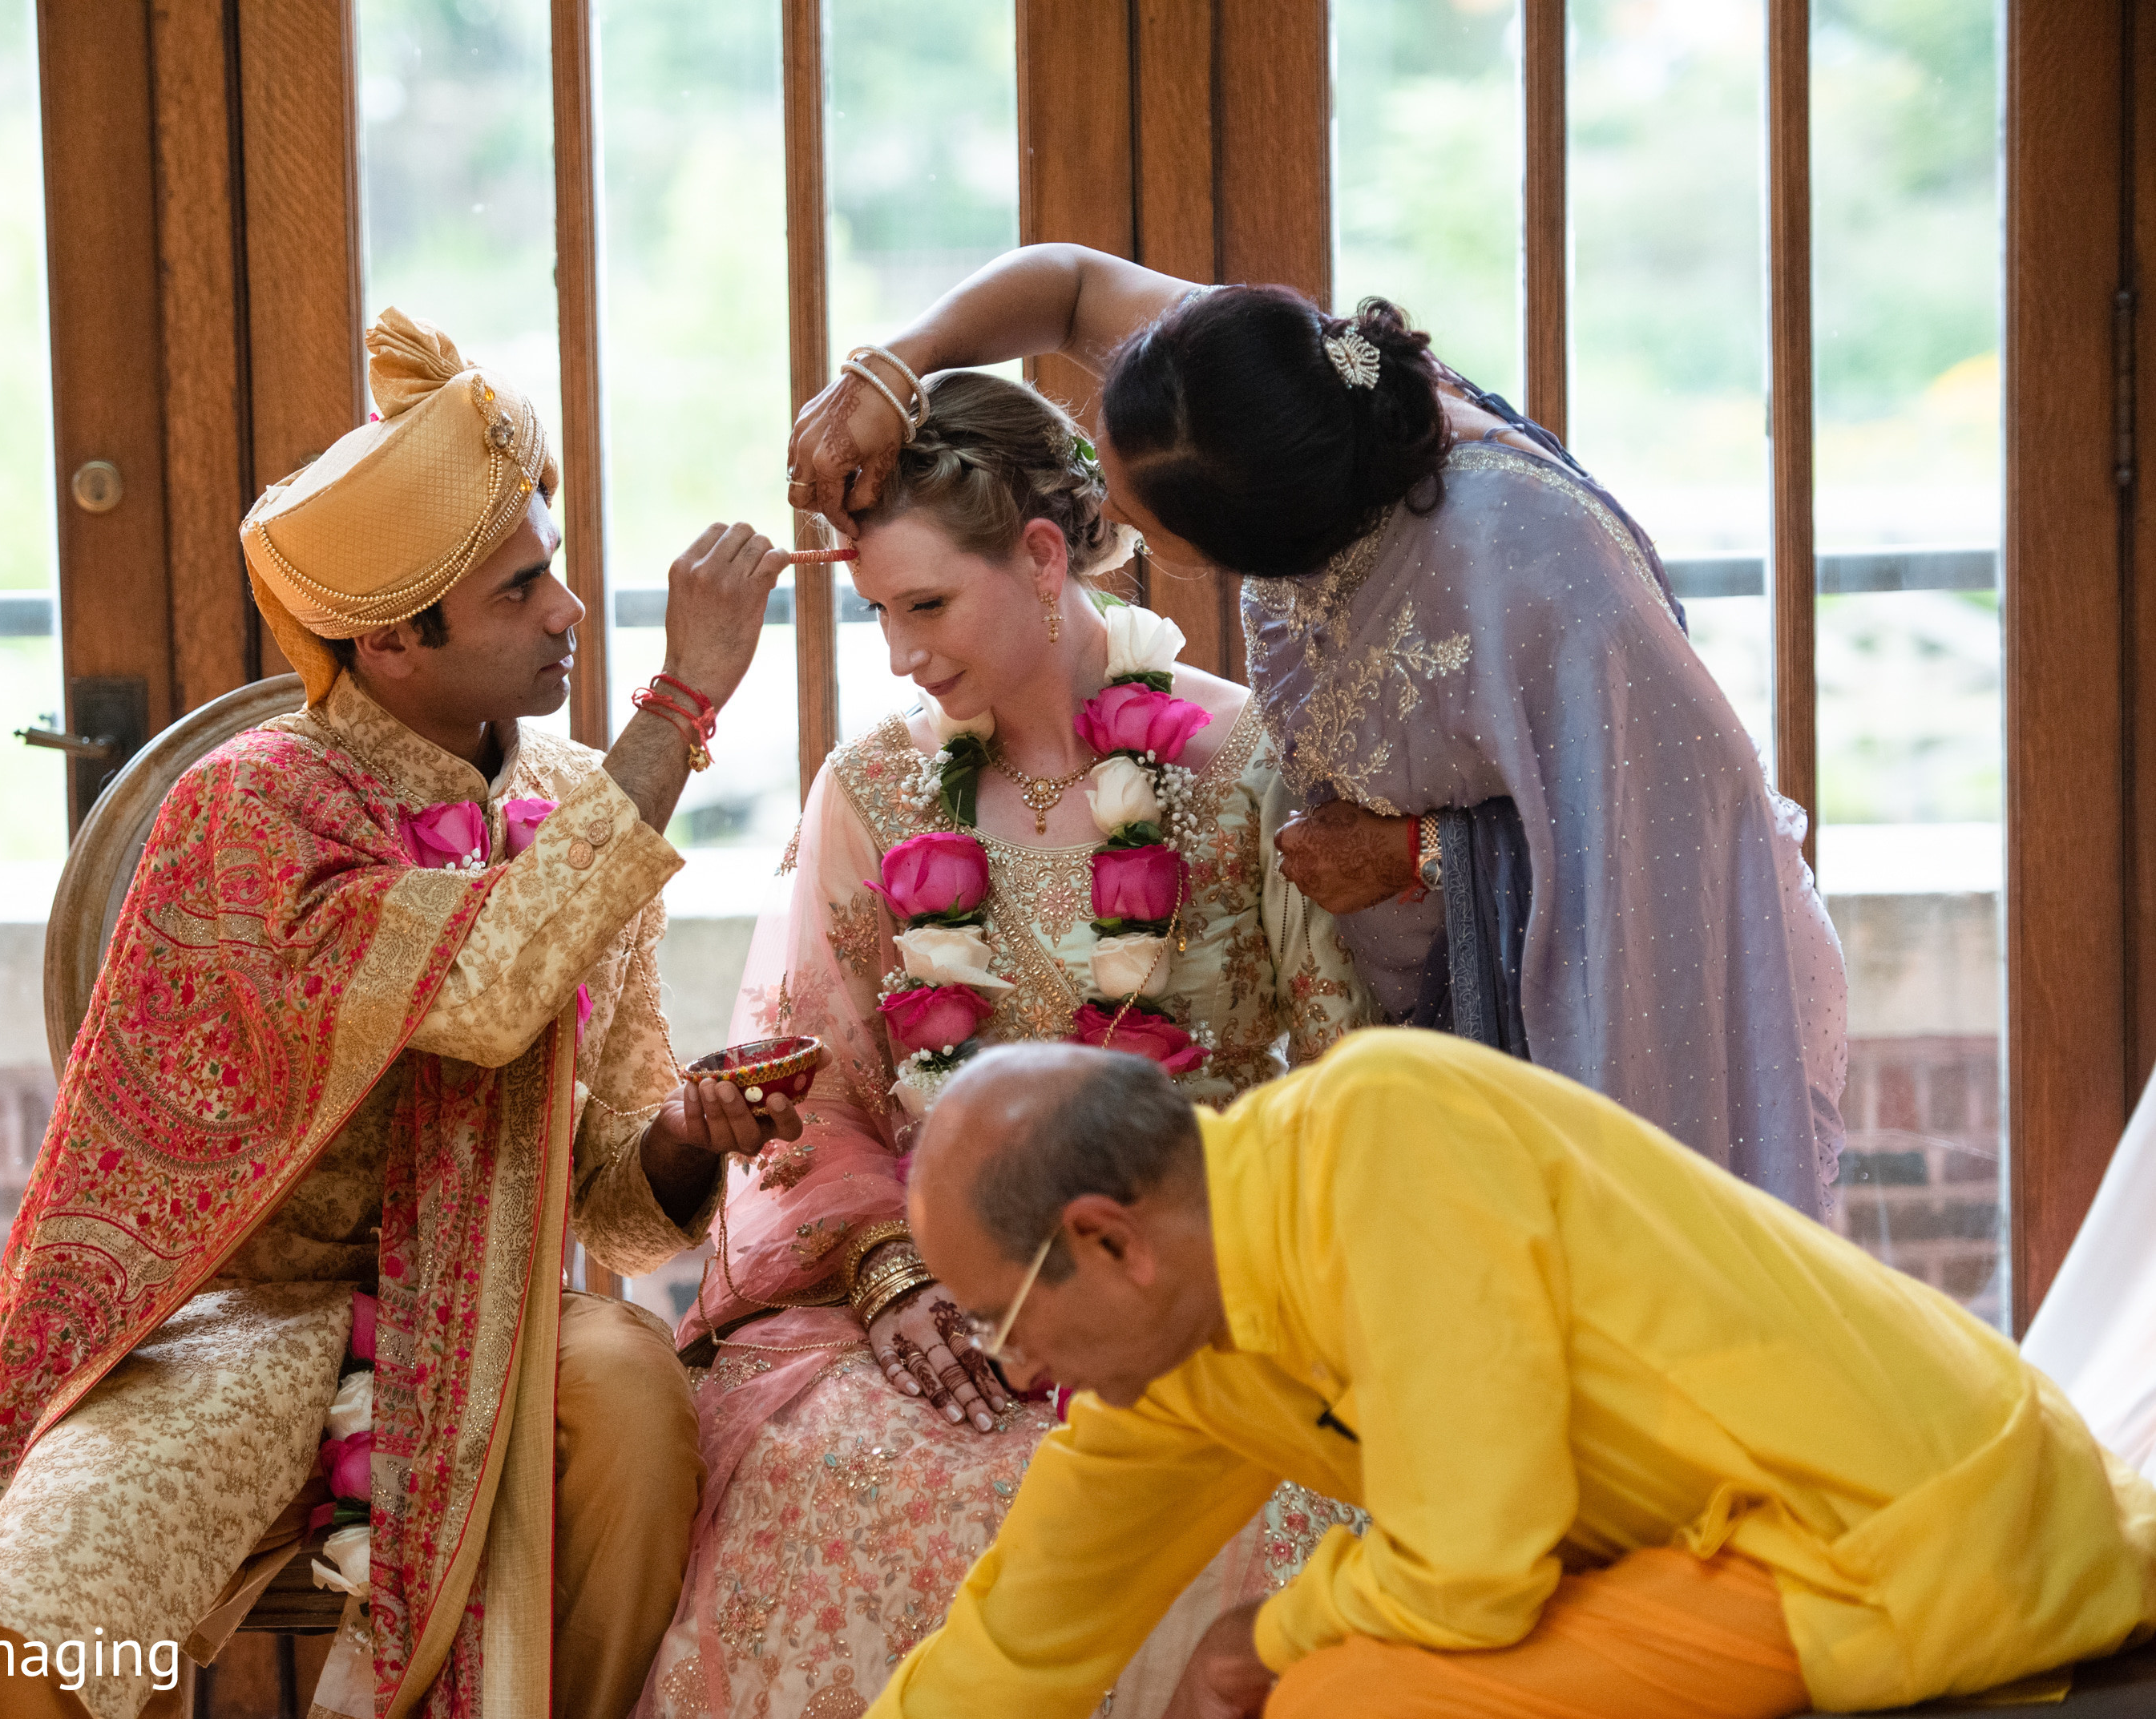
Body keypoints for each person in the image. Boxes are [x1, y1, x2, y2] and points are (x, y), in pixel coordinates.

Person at [0, 310, 804, 1719]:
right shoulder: (258, 808)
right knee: (8, 1643)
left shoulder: (574, 808)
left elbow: (619, 1210)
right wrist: (683, 702)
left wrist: (690, 1126)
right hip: (228, 1329)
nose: (565, 611)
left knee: (629, 1388)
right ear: (388, 639)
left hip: (494, 1319)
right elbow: (493, 982)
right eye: (520, 590)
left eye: (550, 569)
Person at [786, 248, 1849, 1218]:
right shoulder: (1247, 391)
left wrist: (1418, 854)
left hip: (1642, 1010)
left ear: (1262, 549)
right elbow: (1065, 286)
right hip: (1435, 1017)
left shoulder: (1530, 566)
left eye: (1141, 522)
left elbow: (1682, 841)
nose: (1099, 515)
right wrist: (888, 370)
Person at [630, 372, 1370, 1719]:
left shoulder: (1242, 757)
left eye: (926, 606)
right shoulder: (873, 785)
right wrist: (899, 1274)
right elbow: (817, 1087)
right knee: (849, 1469)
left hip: (1195, 1279)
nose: (902, 654)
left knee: (1265, 1493)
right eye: (877, 615)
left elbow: (1337, 1075)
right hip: (938, 1288)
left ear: (1040, 558)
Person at [868, 1033, 2156, 1719]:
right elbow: (1023, 1632)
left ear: (1107, 1240)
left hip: (1894, 1523)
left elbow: (1467, 1576)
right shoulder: (1182, 1354)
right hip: (1741, 1551)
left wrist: (1251, 1635)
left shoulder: (1382, 1131)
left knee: (1344, 1703)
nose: (1016, 1366)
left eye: (1005, 1320)